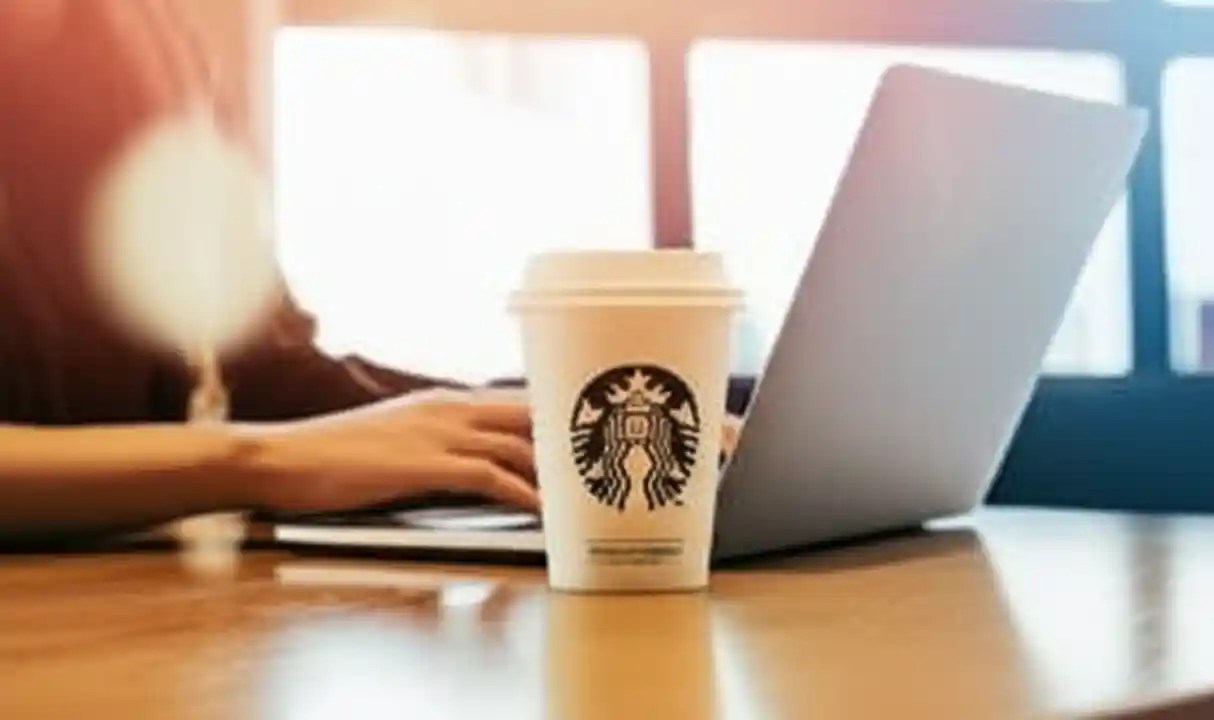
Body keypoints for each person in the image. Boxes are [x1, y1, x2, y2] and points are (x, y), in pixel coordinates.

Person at [0, 1, 739, 545]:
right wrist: (257, 461)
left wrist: (513, 423)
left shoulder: (139, 39)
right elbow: (271, 442)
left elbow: (262, 375)